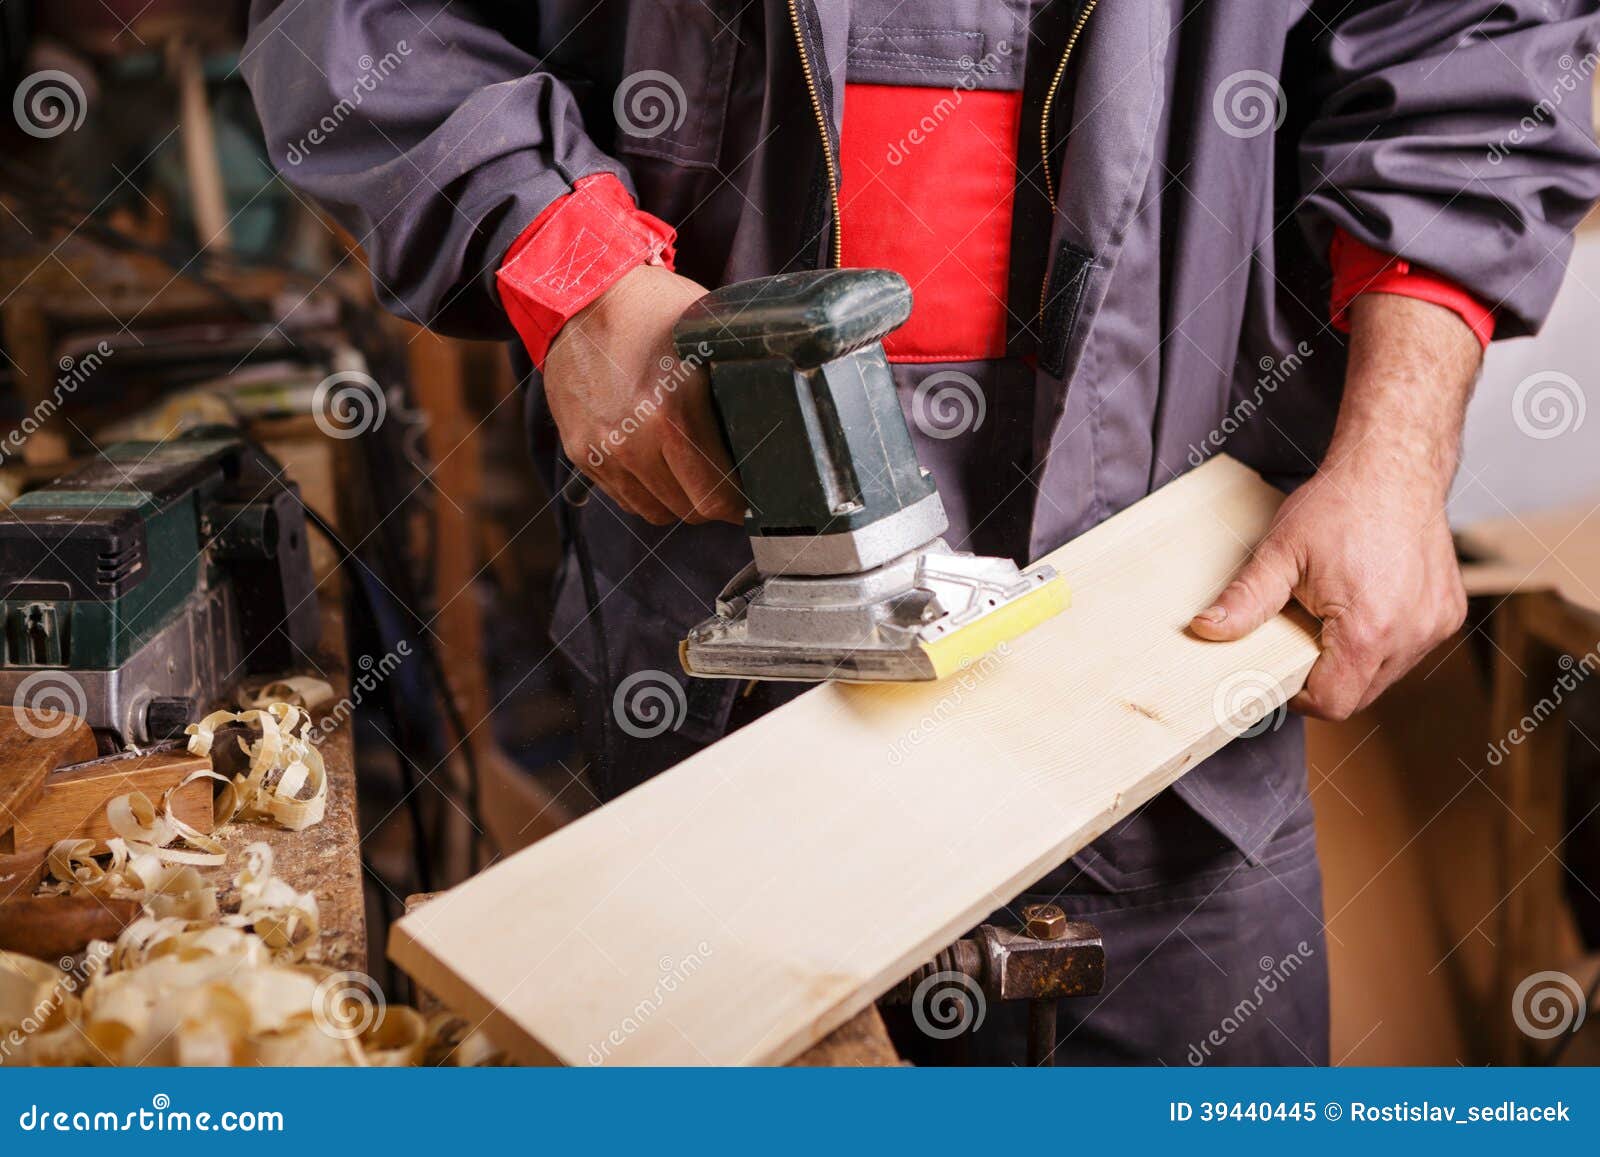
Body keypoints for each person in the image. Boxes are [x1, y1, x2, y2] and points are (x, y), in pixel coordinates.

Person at [244, 0, 1600, 1064]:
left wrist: (1399, 446)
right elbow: (358, 20)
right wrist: (567, 259)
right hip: (722, 705)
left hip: (1170, 708)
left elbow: (1469, 34)